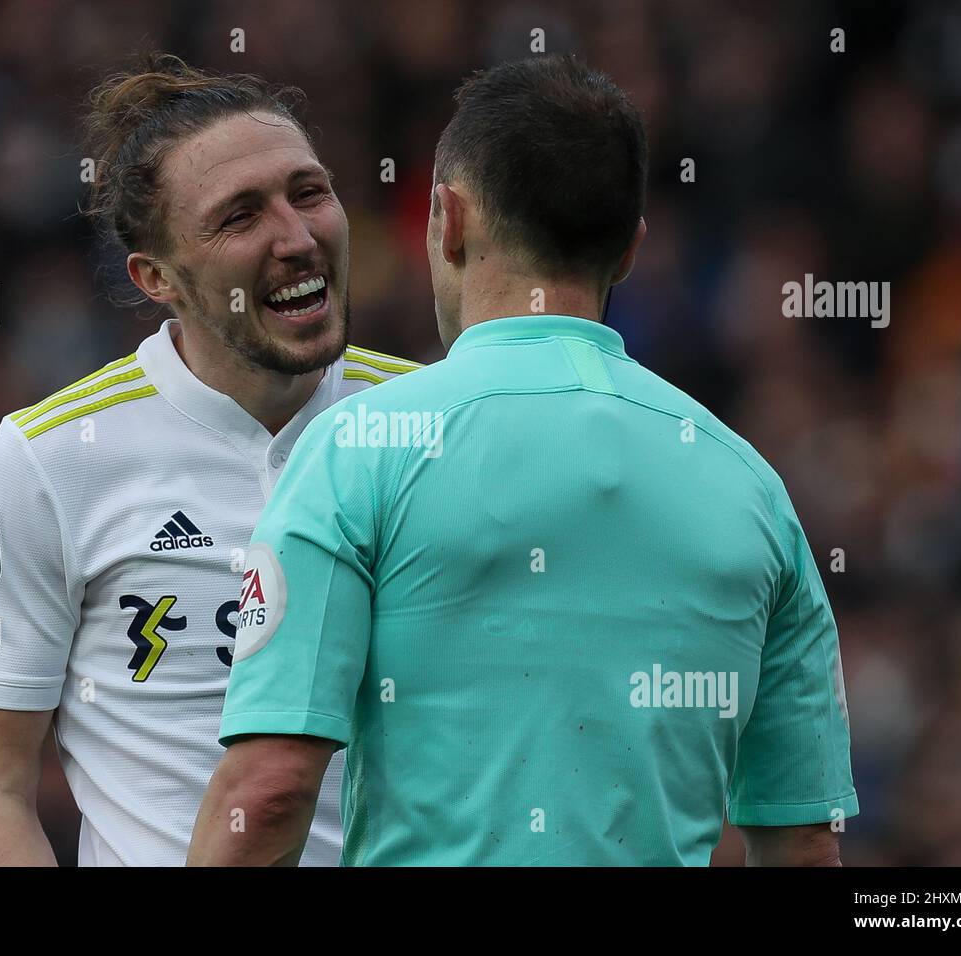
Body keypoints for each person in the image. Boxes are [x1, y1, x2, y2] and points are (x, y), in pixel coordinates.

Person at [188, 55, 857, 866]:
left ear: (450, 218)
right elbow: (804, 844)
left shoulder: (357, 450)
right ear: (629, 251)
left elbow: (268, 794)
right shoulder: (751, 488)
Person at [0, 54, 421, 866]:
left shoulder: (433, 421)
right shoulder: (46, 461)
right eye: (241, 217)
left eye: (309, 192)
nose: (298, 238)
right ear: (156, 277)